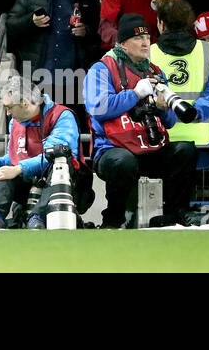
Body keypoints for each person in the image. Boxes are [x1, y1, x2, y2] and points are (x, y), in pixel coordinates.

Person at [84, 14, 197, 227]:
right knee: (123, 161)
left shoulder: (154, 70)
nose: (146, 42)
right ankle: (114, 218)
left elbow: (171, 122)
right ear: (123, 44)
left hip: (149, 146)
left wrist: (163, 109)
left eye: (147, 36)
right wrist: (135, 94)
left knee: (185, 150)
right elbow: (98, 108)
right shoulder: (102, 68)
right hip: (112, 148)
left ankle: (175, 215)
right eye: (138, 38)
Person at [0, 72, 81, 229]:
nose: (8, 113)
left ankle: (38, 215)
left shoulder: (62, 116)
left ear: (25, 102)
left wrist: (18, 168)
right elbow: (14, 156)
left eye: (9, 108)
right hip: (29, 183)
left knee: (58, 162)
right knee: (5, 171)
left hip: (63, 186)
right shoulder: (16, 121)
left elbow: (54, 155)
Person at [5, 0, 100, 108]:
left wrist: (86, 31)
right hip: (37, 75)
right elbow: (10, 24)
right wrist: (30, 21)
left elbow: (99, 29)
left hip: (74, 75)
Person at [148, 0, 209, 148]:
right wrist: (195, 112)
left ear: (161, 24)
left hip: (161, 141)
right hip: (200, 141)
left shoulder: (148, 54)